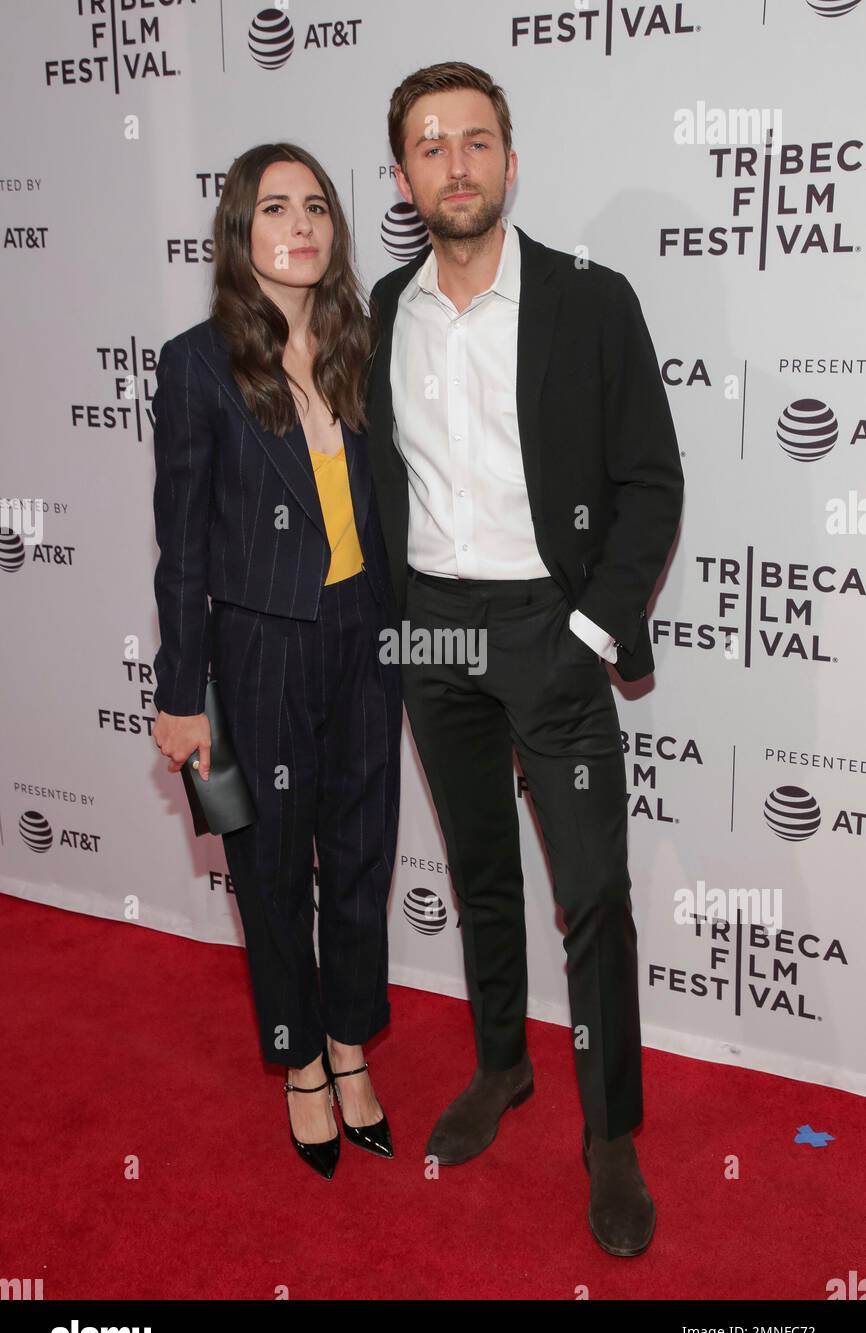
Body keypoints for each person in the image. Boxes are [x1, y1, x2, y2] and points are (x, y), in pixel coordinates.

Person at [365, 63, 684, 1253]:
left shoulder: (591, 303)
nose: (455, 162)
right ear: (401, 178)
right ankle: (503, 1066)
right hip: (431, 627)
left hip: (550, 628)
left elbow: (650, 483)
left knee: (591, 891)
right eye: (430, 145)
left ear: (510, 160)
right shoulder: (380, 313)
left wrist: (590, 630)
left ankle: (609, 1134)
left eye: (475, 141)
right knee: (478, 870)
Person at [151, 143, 402, 1180]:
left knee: (359, 854)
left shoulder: (364, 344)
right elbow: (185, 545)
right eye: (274, 208)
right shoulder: (196, 361)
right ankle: (299, 1061)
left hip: (366, 634)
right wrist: (178, 695)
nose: (299, 225)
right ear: (238, 231)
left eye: (315, 207)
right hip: (257, 643)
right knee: (267, 862)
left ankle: (350, 1045)